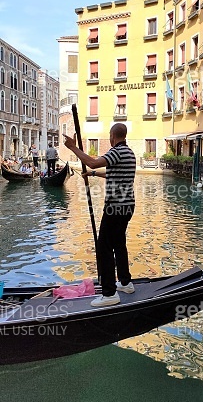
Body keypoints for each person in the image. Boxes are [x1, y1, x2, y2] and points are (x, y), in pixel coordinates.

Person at [63, 123, 136, 307]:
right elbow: (114, 173)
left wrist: (73, 148)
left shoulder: (116, 151)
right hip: (127, 206)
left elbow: (93, 161)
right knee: (119, 243)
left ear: (112, 136)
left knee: (103, 246)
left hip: (114, 208)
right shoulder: (129, 153)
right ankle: (126, 283)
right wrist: (94, 173)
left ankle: (109, 293)